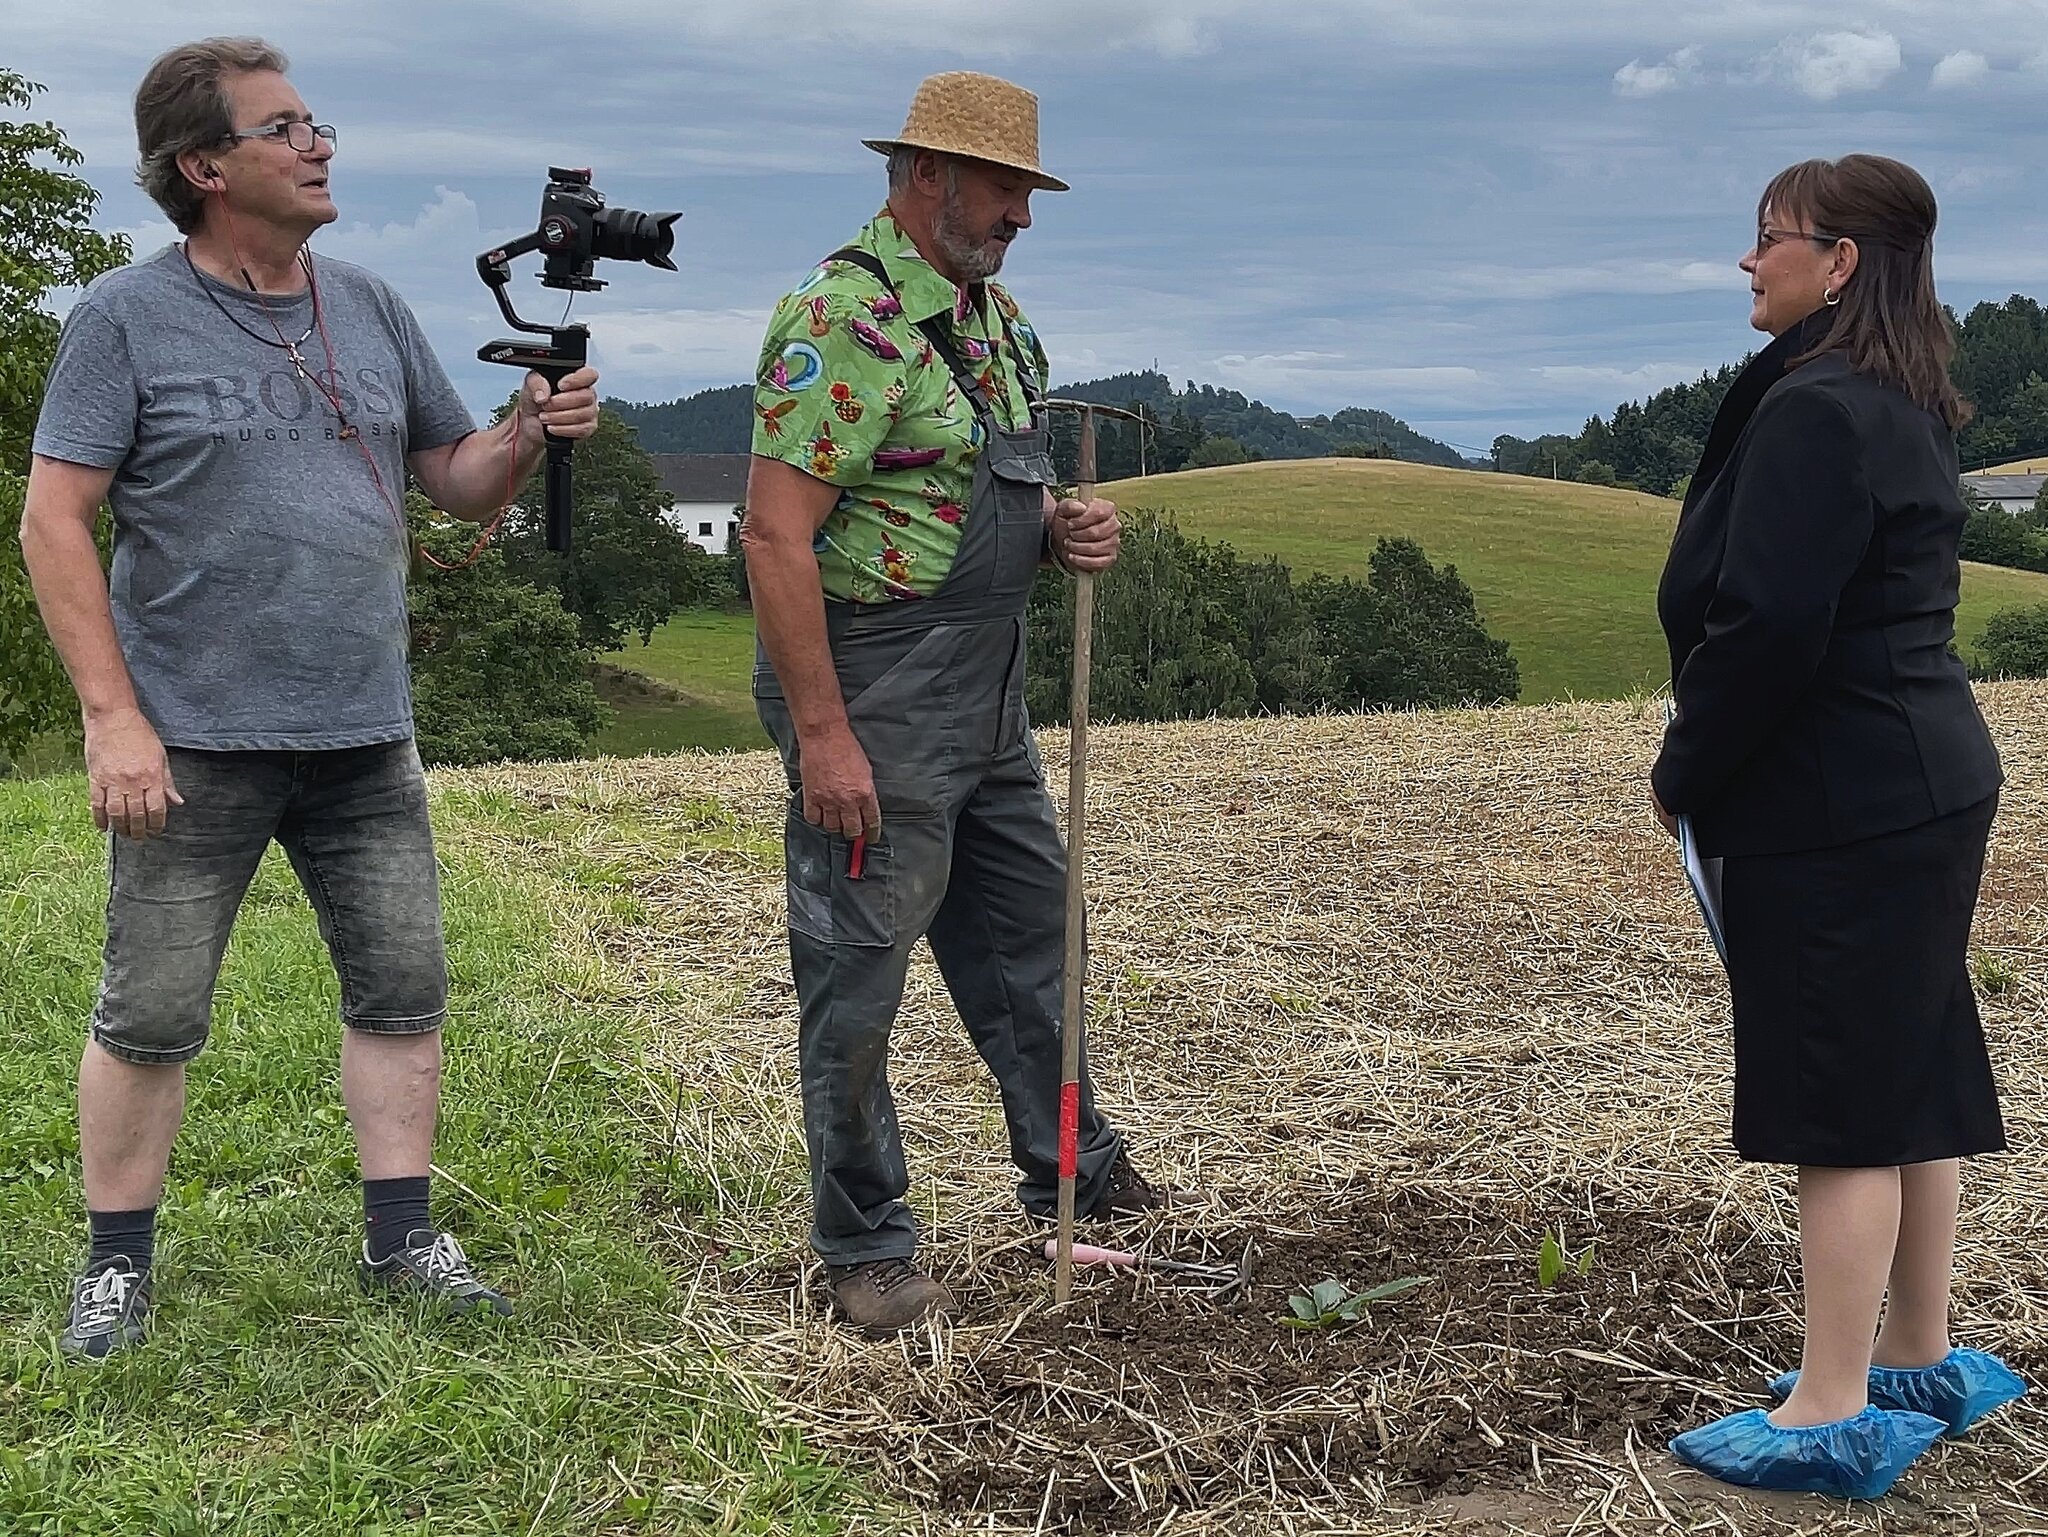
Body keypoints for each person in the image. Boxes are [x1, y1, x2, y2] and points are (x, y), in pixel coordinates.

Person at [19, 36, 601, 1359]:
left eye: (318, 120)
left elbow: (452, 479)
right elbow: (54, 522)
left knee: (402, 989)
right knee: (150, 1009)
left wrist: (525, 432)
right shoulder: (122, 319)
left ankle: (401, 1237)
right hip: (193, 742)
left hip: (364, 732)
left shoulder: (374, 305)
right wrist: (114, 716)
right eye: (287, 128)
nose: (321, 143)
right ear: (207, 166)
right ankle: (116, 1265)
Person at [741, 71, 1183, 1335]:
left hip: (986, 684)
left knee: (1036, 934)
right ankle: (866, 1245)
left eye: (1026, 194)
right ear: (927, 174)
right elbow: (776, 542)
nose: (1021, 217)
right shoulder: (840, 320)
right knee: (859, 968)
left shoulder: (993, 325)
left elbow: (963, 497)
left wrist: (1061, 530)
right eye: (1004, 191)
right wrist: (825, 736)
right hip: (873, 689)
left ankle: (1073, 1170)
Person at [1653, 154, 2022, 1499]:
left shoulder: (1817, 410)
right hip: (1922, 775)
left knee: (1840, 1100)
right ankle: (1917, 1351)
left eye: (1768, 241)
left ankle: (1829, 1403)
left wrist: (1686, 764)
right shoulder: (1907, 397)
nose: (1748, 264)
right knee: (1909, 1062)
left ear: (1841, 261)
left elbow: (1771, 627)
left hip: (1837, 795)